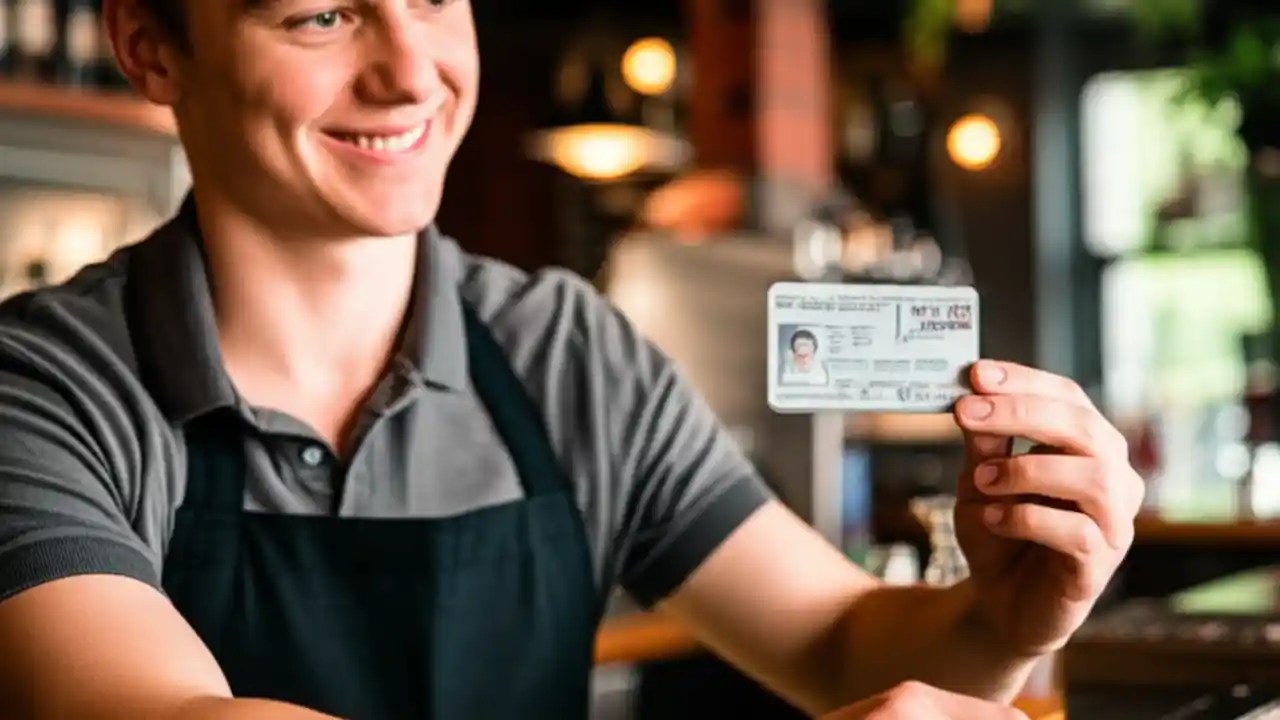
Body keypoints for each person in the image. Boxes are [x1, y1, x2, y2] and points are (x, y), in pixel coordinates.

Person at [0, 1, 1144, 719]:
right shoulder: (43, 387)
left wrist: (1000, 618)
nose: (413, 70)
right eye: (322, 17)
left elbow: (839, 640)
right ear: (150, 46)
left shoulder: (568, 353)